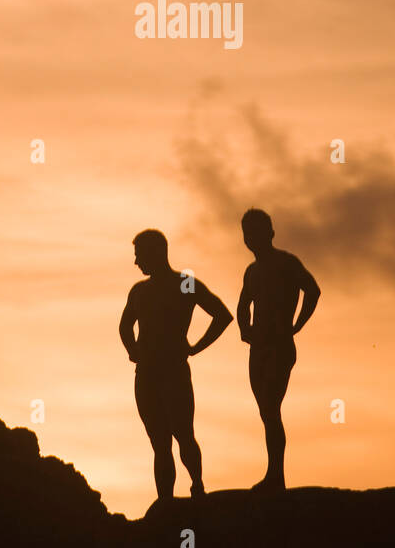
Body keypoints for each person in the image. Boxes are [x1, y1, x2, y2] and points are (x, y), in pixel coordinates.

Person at [119, 229, 232, 503]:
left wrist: (196, 347)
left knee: (183, 433)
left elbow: (222, 315)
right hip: (146, 373)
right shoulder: (139, 291)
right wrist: (133, 349)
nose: (136, 262)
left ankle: (197, 485)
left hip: (174, 371)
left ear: (156, 253)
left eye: (139, 255)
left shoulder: (184, 284)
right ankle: (166, 502)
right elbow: (124, 326)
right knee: (159, 443)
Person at [237, 208, 320, 491]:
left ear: (270, 233)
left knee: (271, 409)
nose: (252, 238)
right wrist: (244, 329)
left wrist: (297, 325)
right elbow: (242, 304)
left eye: (257, 231)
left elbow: (313, 290)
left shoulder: (286, 263)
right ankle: (274, 475)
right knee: (266, 411)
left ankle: (276, 476)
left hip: (279, 345)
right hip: (258, 347)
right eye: (247, 233)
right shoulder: (252, 271)